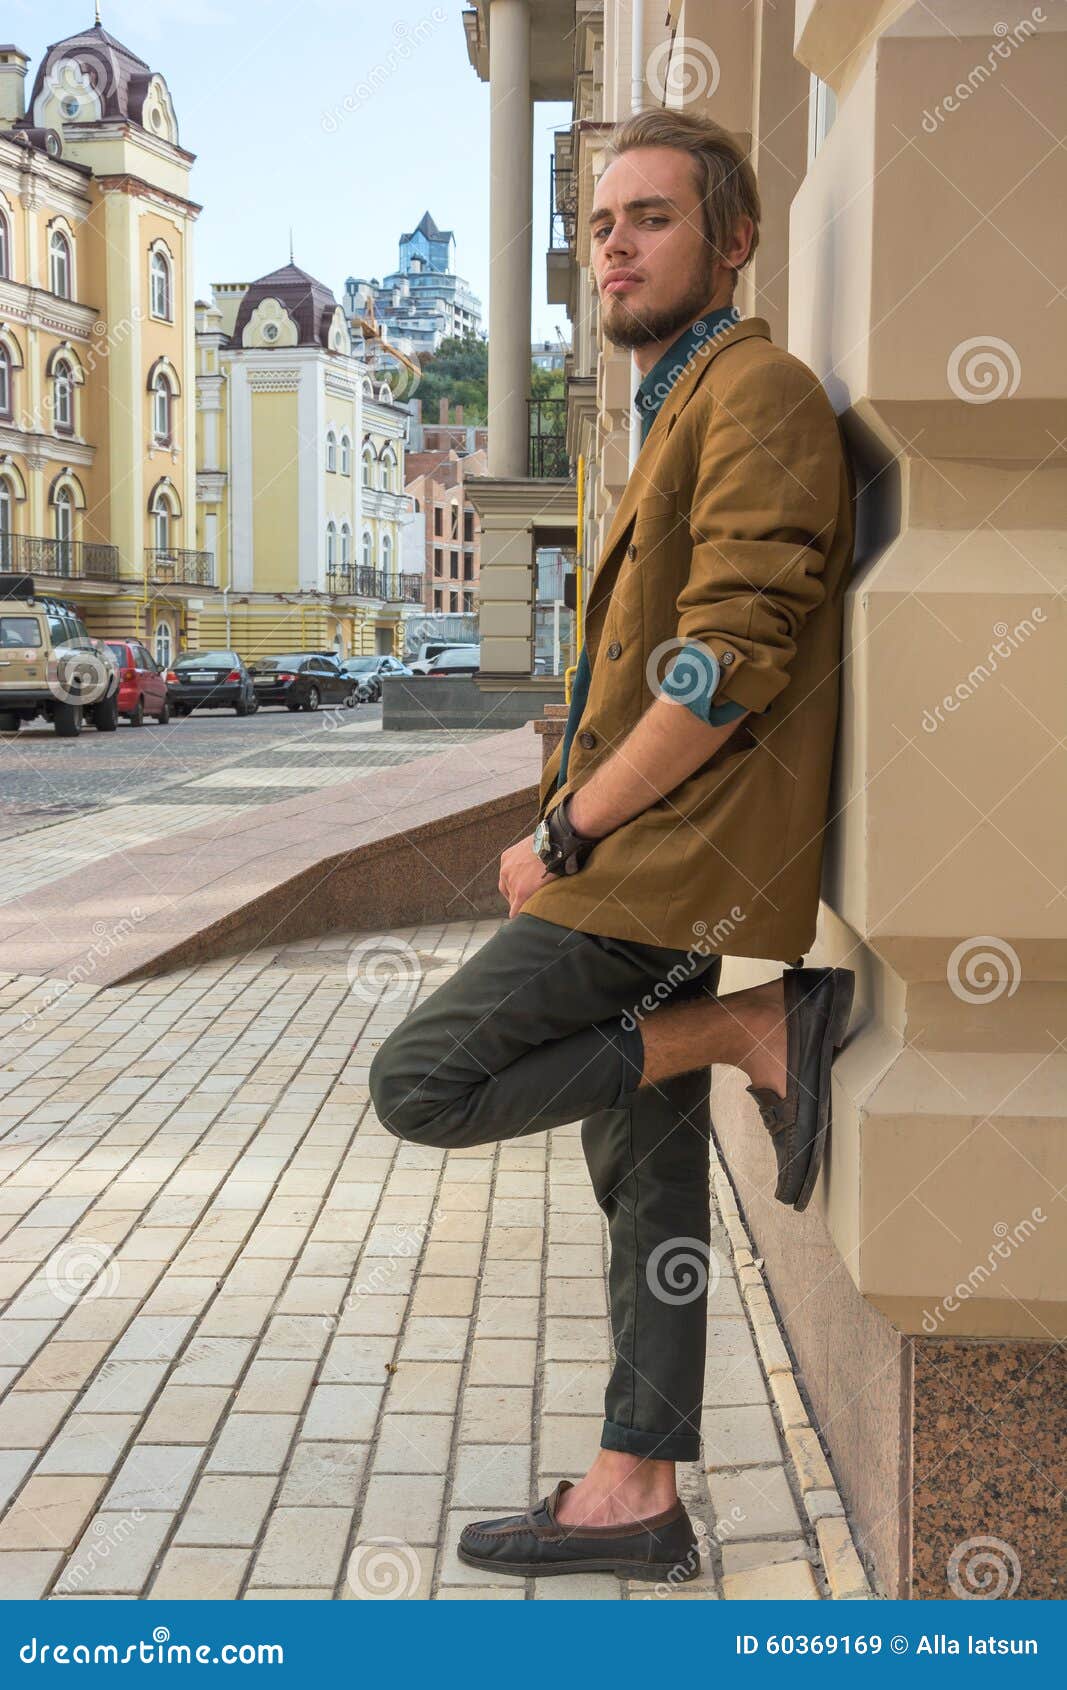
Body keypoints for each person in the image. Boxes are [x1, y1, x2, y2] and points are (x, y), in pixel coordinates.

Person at [369, 107, 855, 1584]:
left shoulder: (754, 391)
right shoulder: (672, 409)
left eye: (652, 216)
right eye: (600, 224)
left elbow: (727, 652)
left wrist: (569, 830)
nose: (617, 245)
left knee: (423, 1081)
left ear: (734, 239)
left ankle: (753, 1025)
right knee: (647, 1179)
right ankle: (635, 1487)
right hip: (648, 856)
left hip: (661, 860)